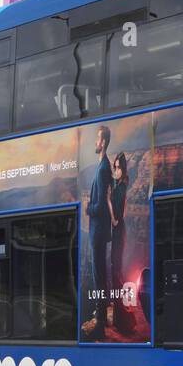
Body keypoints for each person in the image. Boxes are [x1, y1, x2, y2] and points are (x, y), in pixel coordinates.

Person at [82, 125, 114, 336]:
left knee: (98, 274)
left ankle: (99, 317)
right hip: (99, 229)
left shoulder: (103, 168)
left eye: (97, 139)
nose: (95, 142)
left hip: (98, 229)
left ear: (103, 142)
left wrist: (87, 207)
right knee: (99, 272)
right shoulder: (103, 166)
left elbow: (101, 205)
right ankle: (101, 314)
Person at [109, 152, 134, 334]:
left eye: (118, 168)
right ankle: (121, 319)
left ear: (123, 169)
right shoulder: (118, 186)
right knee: (115, 272)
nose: (115, 171)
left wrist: (107, 201)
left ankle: (125, 319)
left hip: (119, 231)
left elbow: (116, 219)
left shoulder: (121, 187)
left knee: (116, 272)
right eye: (114, 167)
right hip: (118, 232)